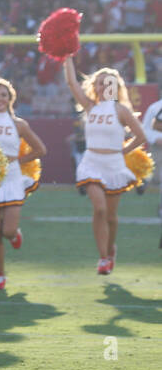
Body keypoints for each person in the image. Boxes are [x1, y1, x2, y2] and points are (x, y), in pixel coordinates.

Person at [63, 57, 148, 273]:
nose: (104, 86)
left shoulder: (121, 110)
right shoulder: (90, 107)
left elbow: (140, 136)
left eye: (109, 82)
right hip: (91, 161)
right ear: (95, 86)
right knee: (99, 209)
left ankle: (111, 250)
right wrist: (68, 57)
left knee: (110, 215)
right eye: (100, 82)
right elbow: (72, 83)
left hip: (113, 165)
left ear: (116, 87)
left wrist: (123, 151)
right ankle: (102, 258)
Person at [0, 78, 46, 290]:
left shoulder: (19, 124)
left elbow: (40, 150)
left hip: (12, 179)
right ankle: (0, 274)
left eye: (3, 95)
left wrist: (17, 160)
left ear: (10, 98)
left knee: (7, 231)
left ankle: (15, 234)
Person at [141, 94, 162, 248]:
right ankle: (144, 181)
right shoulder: (155, 108)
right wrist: (156, 138)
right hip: (158, 148)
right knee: (157, 176)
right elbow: (145, 129)